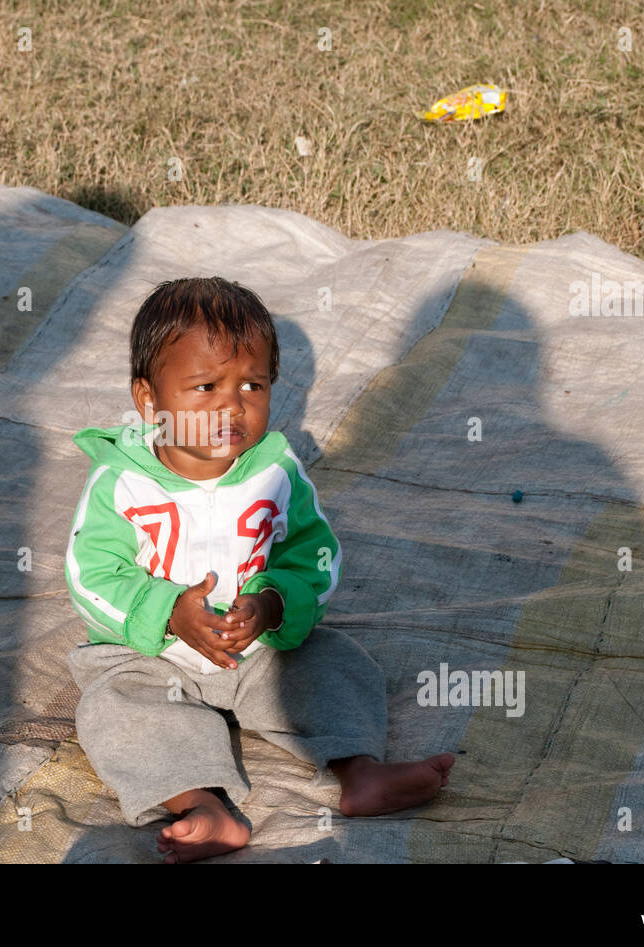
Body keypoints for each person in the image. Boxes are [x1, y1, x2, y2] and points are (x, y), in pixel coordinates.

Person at [63, 276, 455, 863]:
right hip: (148, 655)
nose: (231, 404)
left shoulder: (275, 471)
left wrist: (273, 603)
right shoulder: (121, 480)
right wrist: (168, 610)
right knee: (114, 707)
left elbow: (313, 554)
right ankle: (201, 805)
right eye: (205, 386)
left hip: (259, 651)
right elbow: (91, 574)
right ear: (149, 401)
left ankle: (360, 772)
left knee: (336, 662)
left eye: (253, 384)